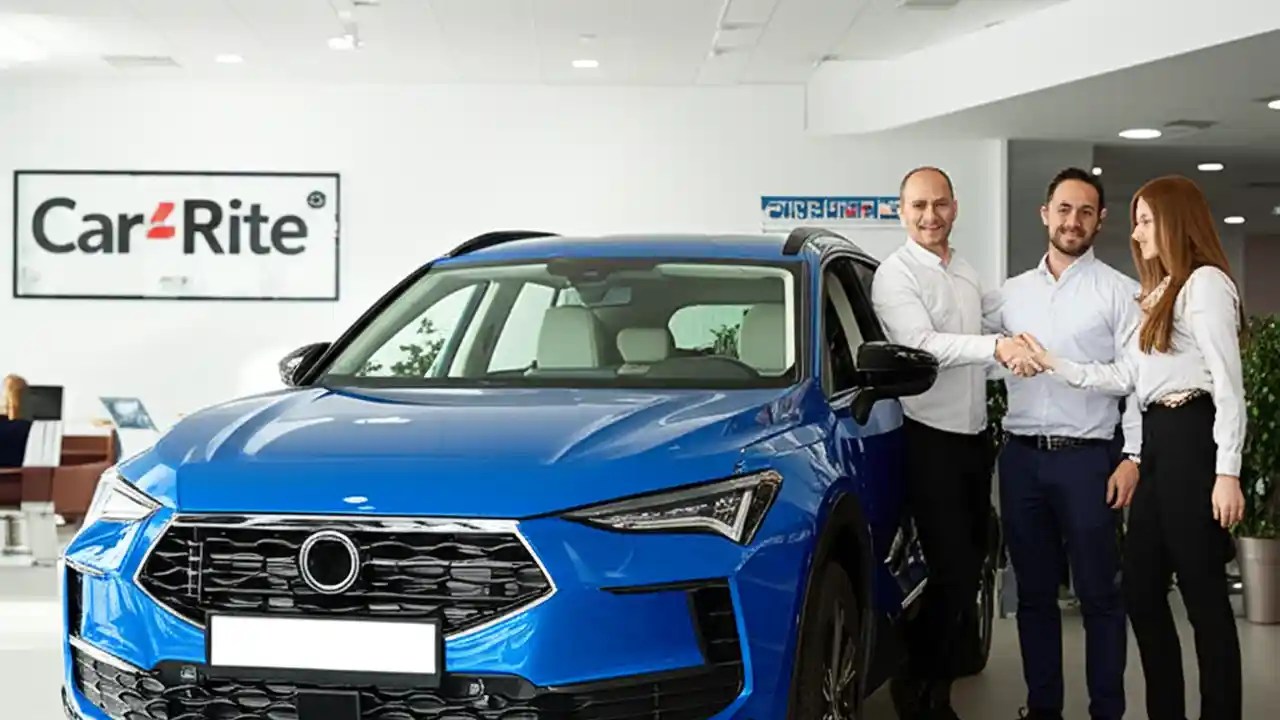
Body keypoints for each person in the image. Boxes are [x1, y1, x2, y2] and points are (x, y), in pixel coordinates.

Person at [1019, 175, 1246, 720]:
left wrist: (1228, 472)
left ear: (1172, 222)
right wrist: (1053, 362)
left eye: (1145, 220)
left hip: (1196, 438)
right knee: (1141, 593)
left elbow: (1229, 386)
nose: (1137, 233)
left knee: (1204, 600)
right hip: (1158, 447)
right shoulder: (1161, 292)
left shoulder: (1206, 284)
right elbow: (1126, 377)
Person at [871, 166, 1038, 720]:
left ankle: (935, 686)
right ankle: (915, 684)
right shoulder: (896, 276)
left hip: (971, 440)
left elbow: (976, 355)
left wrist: (1020, 354)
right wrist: (998, 346)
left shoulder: (963, 271)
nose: (930, 216)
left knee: (969, 569)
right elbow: (922, 346)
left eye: (939, 204)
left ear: (955, 207)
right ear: (901, 210)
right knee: (950, 570)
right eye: (918, 205)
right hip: (926, 439)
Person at [984, 168, 1139, 720]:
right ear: (1044, 213)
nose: (1073, 221)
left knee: (1100, 595)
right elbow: (981, 358)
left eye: (1085, 212)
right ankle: (1043, 708)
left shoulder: (1122, 293)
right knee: (1032, 596)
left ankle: (1107, 711)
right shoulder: (1009, 295)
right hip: (1021, 457)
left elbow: (1134, 380)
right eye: (1065, 209)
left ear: (1100, 221)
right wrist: (1001, 353)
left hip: (1089, 460)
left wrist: (1132, 457)